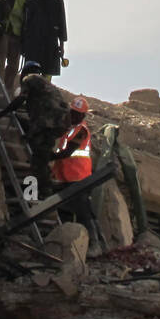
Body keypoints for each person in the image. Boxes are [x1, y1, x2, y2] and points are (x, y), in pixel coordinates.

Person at [48, 95, 101, 251]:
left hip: (79, 178)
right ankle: (68, 245)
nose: (74, 116)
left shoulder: (82, 131)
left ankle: (94, 244)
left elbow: (67, 152)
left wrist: (49, 156)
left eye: (77, 114)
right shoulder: (69, 130)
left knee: (83, 211)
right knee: (66, 209)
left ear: (83, 115)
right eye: (72, 112)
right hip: (65, 177)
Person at [21, 0, 67, 77]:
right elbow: (25, 25)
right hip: (37, 44)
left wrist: (61, 45)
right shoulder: (31, 1)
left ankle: (42, 92)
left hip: (45, 44)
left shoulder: (56, 1)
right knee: (36, 72)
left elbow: (61, 23)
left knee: (44, 72)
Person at [0, 0, 29, 95]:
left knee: (14, 64)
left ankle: (7, 89)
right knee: (0, 58)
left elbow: (26, 16)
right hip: (3, 31)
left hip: (17, 33)